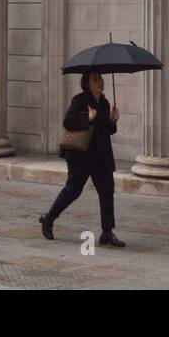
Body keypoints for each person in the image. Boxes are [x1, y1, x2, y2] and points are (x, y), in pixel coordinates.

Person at [39, 68, 125, 248]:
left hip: (101, 155)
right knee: (73, 190)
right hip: (81, 155)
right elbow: (68, 122)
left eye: (100, 78)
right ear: (87, 83)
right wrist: (89, 118)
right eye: (95, 79)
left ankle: (107, 233)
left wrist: (112, 121)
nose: (100, 82)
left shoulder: (105, 102)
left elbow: (104, 130)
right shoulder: (80, 100)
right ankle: (49, 219)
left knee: (107, 192)